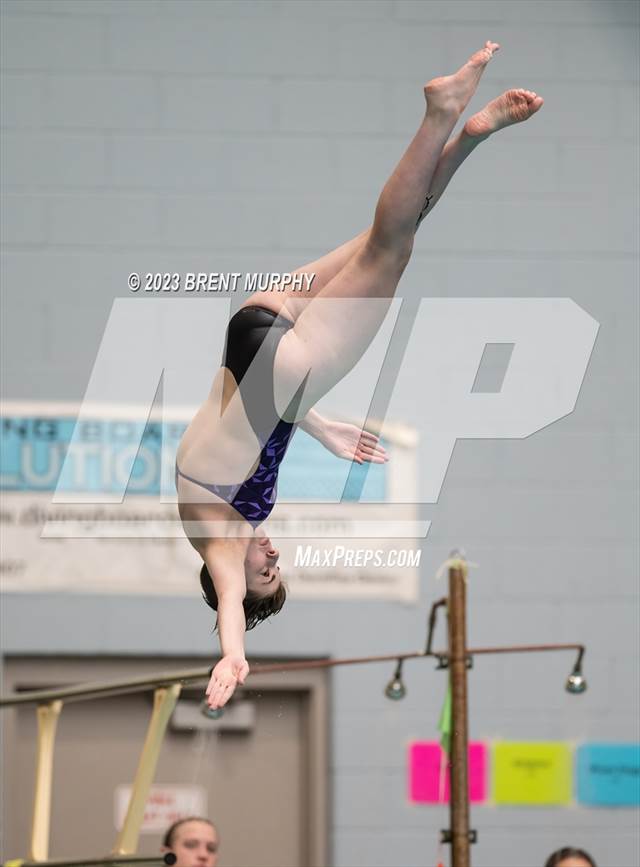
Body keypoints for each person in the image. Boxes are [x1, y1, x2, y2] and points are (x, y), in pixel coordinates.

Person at [175, 40, 544, 711]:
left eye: (268, 574)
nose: (270, 560)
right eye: (273, 569)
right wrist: (315, 426)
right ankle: (468, 136)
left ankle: (439, 117)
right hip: (252, 333)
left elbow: (228, 603)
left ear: (225, 575)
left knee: (390, 248)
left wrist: (234, 653)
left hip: (284, 364)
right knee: (388, 232)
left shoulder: (219, 548)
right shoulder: (216, 511)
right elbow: (246, 417)